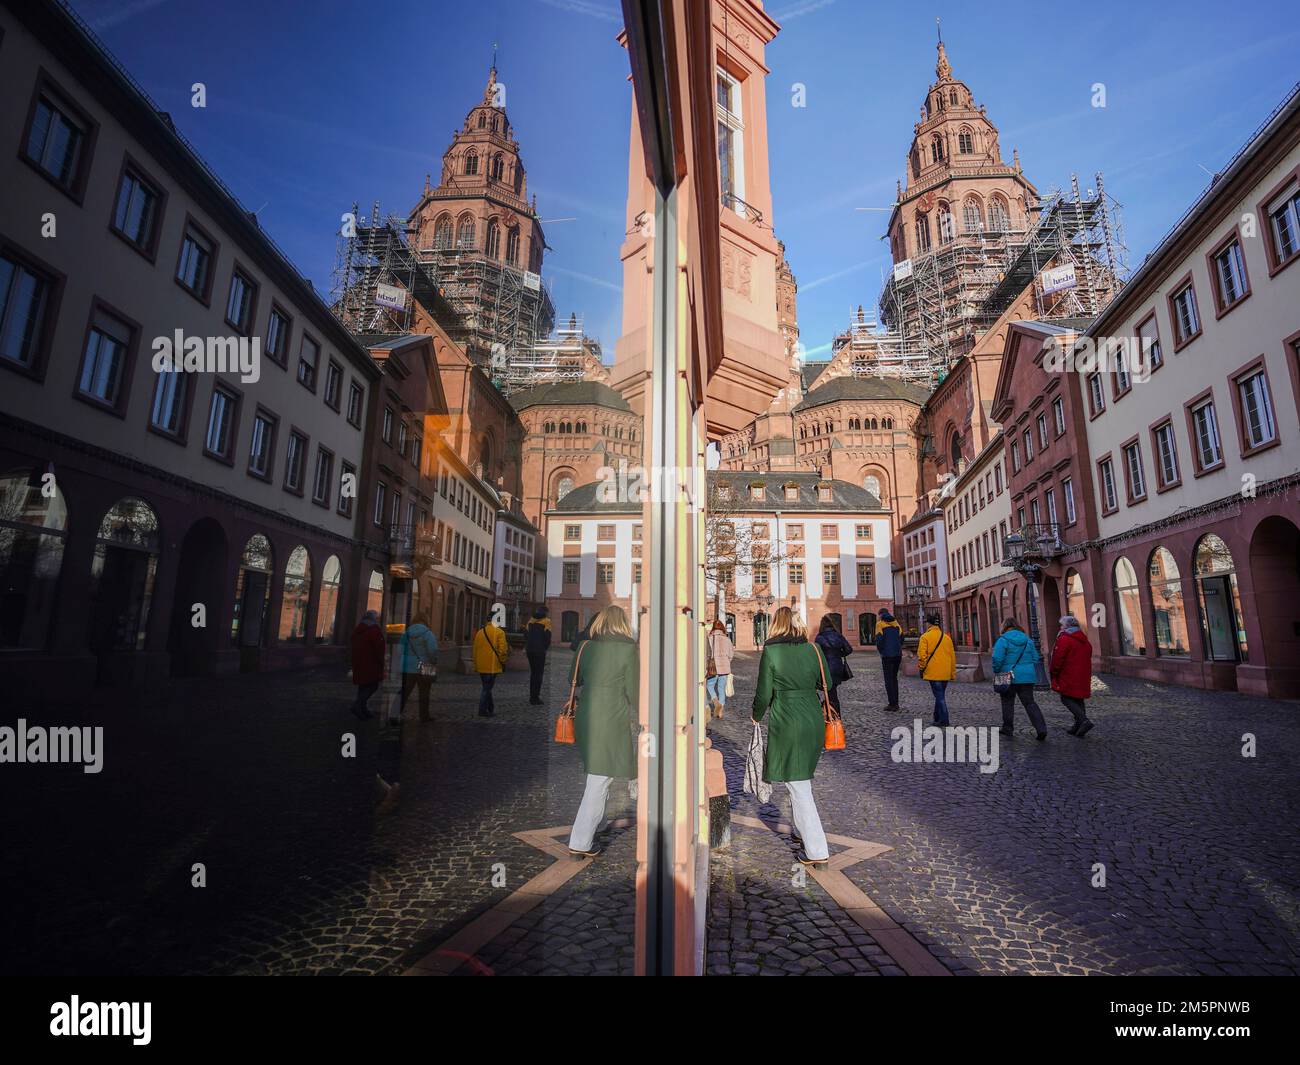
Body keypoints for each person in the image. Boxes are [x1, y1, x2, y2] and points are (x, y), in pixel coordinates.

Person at [752, 606, 831, 869]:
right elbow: (826, 684)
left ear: (776, 625)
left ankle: (817, 848)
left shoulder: (772, 651)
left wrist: (756, 715)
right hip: (812, 719)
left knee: (799, 786)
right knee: (798, 780)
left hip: (788, 720)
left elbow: (764, 692)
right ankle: (803, 831)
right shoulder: (813, 649)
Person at [566, 605, 639, 859]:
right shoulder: (628, 649)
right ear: (623, 624)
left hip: (586, 717)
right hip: (611, 718)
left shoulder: (585, 647)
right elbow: (634, 691)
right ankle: (581, 841)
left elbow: (573, 679)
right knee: (599, 779)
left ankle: (588, 831)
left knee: (600, 776)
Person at [991, 618, 1047, 740]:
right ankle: (1041, 728)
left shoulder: (1003, 640)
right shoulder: (1028, 640)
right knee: (1030, 703)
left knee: (1007, 702)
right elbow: (1035, 658)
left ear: (1004, 627)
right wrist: (1026, 668)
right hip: (1027, 677)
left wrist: (996, 670)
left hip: (1007, 675)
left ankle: (1008, 728)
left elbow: (997, 659)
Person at [1050, 614, 1095, 737]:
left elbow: (1057, 659)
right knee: (1078, 698)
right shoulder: (1084, 640)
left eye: (1061, 625)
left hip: (1068, 673)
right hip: (1082, 674)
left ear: (1067, 626)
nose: (1060, 627)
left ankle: (1084, 721)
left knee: (1066, 698)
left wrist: (1053, 672)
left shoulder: (1064, 639)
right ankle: (1078, 726)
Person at [915, 613, 955, 726]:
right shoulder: (947, 638)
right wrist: (952, 673)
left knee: (940, 696)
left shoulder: (925, 637)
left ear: (929, 624)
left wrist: (921, 668)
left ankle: (944, 720)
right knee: (940, 695)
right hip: (945, 672)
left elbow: (922, 656)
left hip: (933, 672)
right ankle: (937, 718)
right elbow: (952, 656)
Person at [399, 613, 439, 722]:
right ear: (426, 621)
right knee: (424, 692)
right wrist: (434, 661)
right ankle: (424, 716)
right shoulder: (428, 633)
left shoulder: (406, 633)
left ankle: (395, 712)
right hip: (425, 666)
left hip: (407, 666)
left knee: (404, 692)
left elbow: (400, 649)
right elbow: (432, 650)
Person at [814, 616, 853, 716]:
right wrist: (838, 655)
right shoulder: (838, 635)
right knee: (832, 692)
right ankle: (833, 715)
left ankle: (834, 717)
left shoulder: (819, 637)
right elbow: (849, 649)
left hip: (825, 669)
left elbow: (816, 654)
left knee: (830, 694)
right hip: (837, 667)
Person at [349, 609, 385, 720]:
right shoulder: (374, 630)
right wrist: (382, 661)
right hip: (371, 662)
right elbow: (379, 648)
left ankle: (363, 709)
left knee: (363, 685)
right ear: (374, 619)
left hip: (359, 661)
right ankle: (358, 705)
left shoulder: (358, 629)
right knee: (373, 685)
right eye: (377, 618)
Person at [472, 617, 510, 717]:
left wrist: (476, 664)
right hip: (492, 666)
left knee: (486, 687)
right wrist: (503, 661)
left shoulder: (480, 632)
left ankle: (490, 708)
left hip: (481, 665)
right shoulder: (499, 632)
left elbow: (475, 650)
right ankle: (482, 710)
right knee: (486, 689)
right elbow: (502, 651)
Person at [874, 609, 904, 712]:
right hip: (897, 655)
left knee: (888, 680)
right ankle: (896, 703)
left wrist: (882, 652)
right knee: (894, 679)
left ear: (880, 615)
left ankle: (892, 704)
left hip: (887, 656)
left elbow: (879, 641)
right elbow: (901, 639)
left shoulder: (880, 624)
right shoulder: (896, 624)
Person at [705, 620, 735, 719]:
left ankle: (715, 701)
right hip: (725, 668)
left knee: (709, 685)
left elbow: (707, 654)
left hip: (713, 668)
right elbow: (731, 655)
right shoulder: (727, 639)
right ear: (722, 628)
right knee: (721, 688)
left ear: (713, 628)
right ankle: (720, 710)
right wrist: (727, 662)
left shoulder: (710, 638)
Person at [525, 608, 552, 705]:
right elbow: (547, 637)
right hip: (539, 651)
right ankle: (535, 697)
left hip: (530, 650)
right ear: (545, 613)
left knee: (533, 674)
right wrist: (544, 648)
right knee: (539, 674)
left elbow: (526, 635)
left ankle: (531, 696)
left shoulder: (530, 621)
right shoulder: (547, 622)